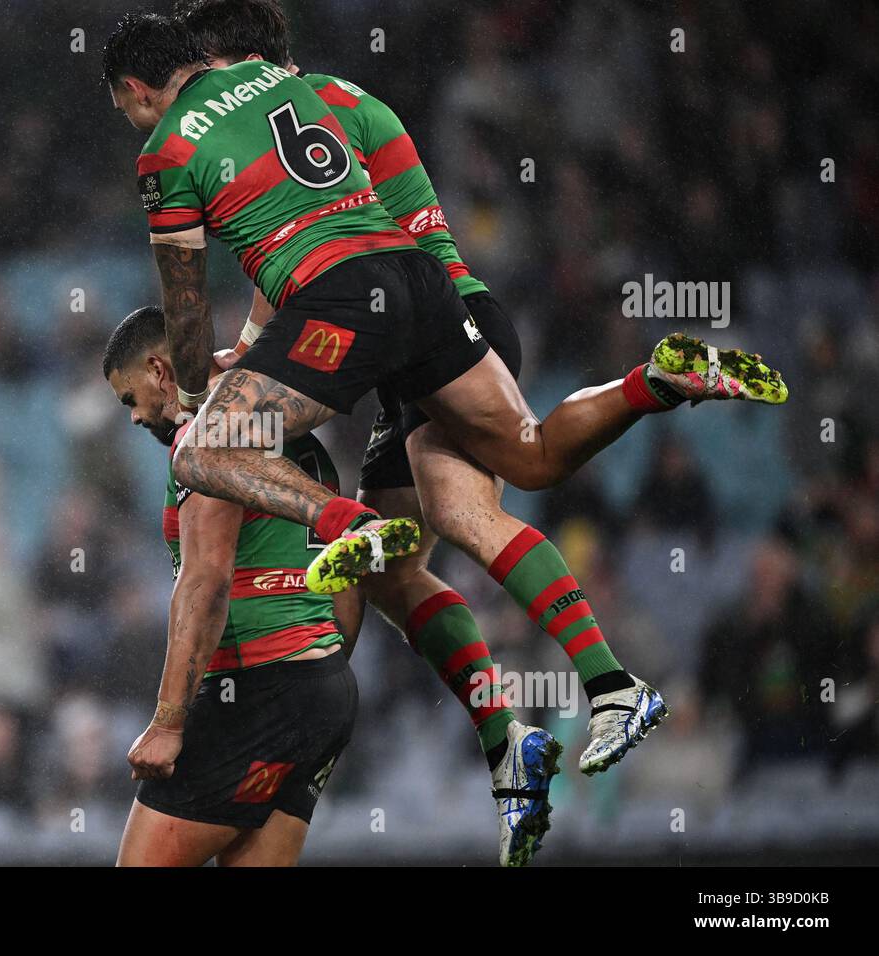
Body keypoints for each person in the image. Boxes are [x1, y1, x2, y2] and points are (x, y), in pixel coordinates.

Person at [170, 0, 660, 858]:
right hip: (423, 321)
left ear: (226, 61)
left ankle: (604, 685)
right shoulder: (351, 103)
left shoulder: (271, 124)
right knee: (400, 571)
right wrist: (249, 351)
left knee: (475, 504)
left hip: (419, 323)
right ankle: (519, 737)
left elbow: (323, 257)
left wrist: (243, 371)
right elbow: (294, 255)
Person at [100, 12, 787, 607]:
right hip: (421, 279)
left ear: (135, 90)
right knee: (533, 456)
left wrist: (193, 394)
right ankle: (656, 381)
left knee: (207, 448)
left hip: (338, 299)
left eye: (124, 110)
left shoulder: (165, 152)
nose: (132, 124)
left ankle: (348, 524)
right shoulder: (291, 85)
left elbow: (184, 301)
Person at [104, 306, 442, 865]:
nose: (135, 418)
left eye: (129, 399)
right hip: (322, 688)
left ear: (160, 369)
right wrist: (320, 674)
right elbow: (344, 582)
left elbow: (205, 581)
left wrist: (168, 721)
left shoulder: (204, 438)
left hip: (256, 686)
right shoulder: (297, 439)